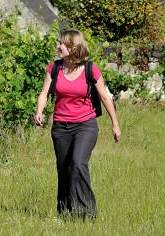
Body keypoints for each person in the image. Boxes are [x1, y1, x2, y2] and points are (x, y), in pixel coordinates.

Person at [34, 29, 121, 219]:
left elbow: (105, 97)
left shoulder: (91, 69)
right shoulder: (55, 67)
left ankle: (86, 212)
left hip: (85, 125)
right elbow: (44, 93)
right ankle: (65, 211)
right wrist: (39, 111)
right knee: (64, 168)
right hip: (60, 126)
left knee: (78, 163)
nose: (58, 46)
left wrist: (115, 123)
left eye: (61, 44)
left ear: (72, 48)